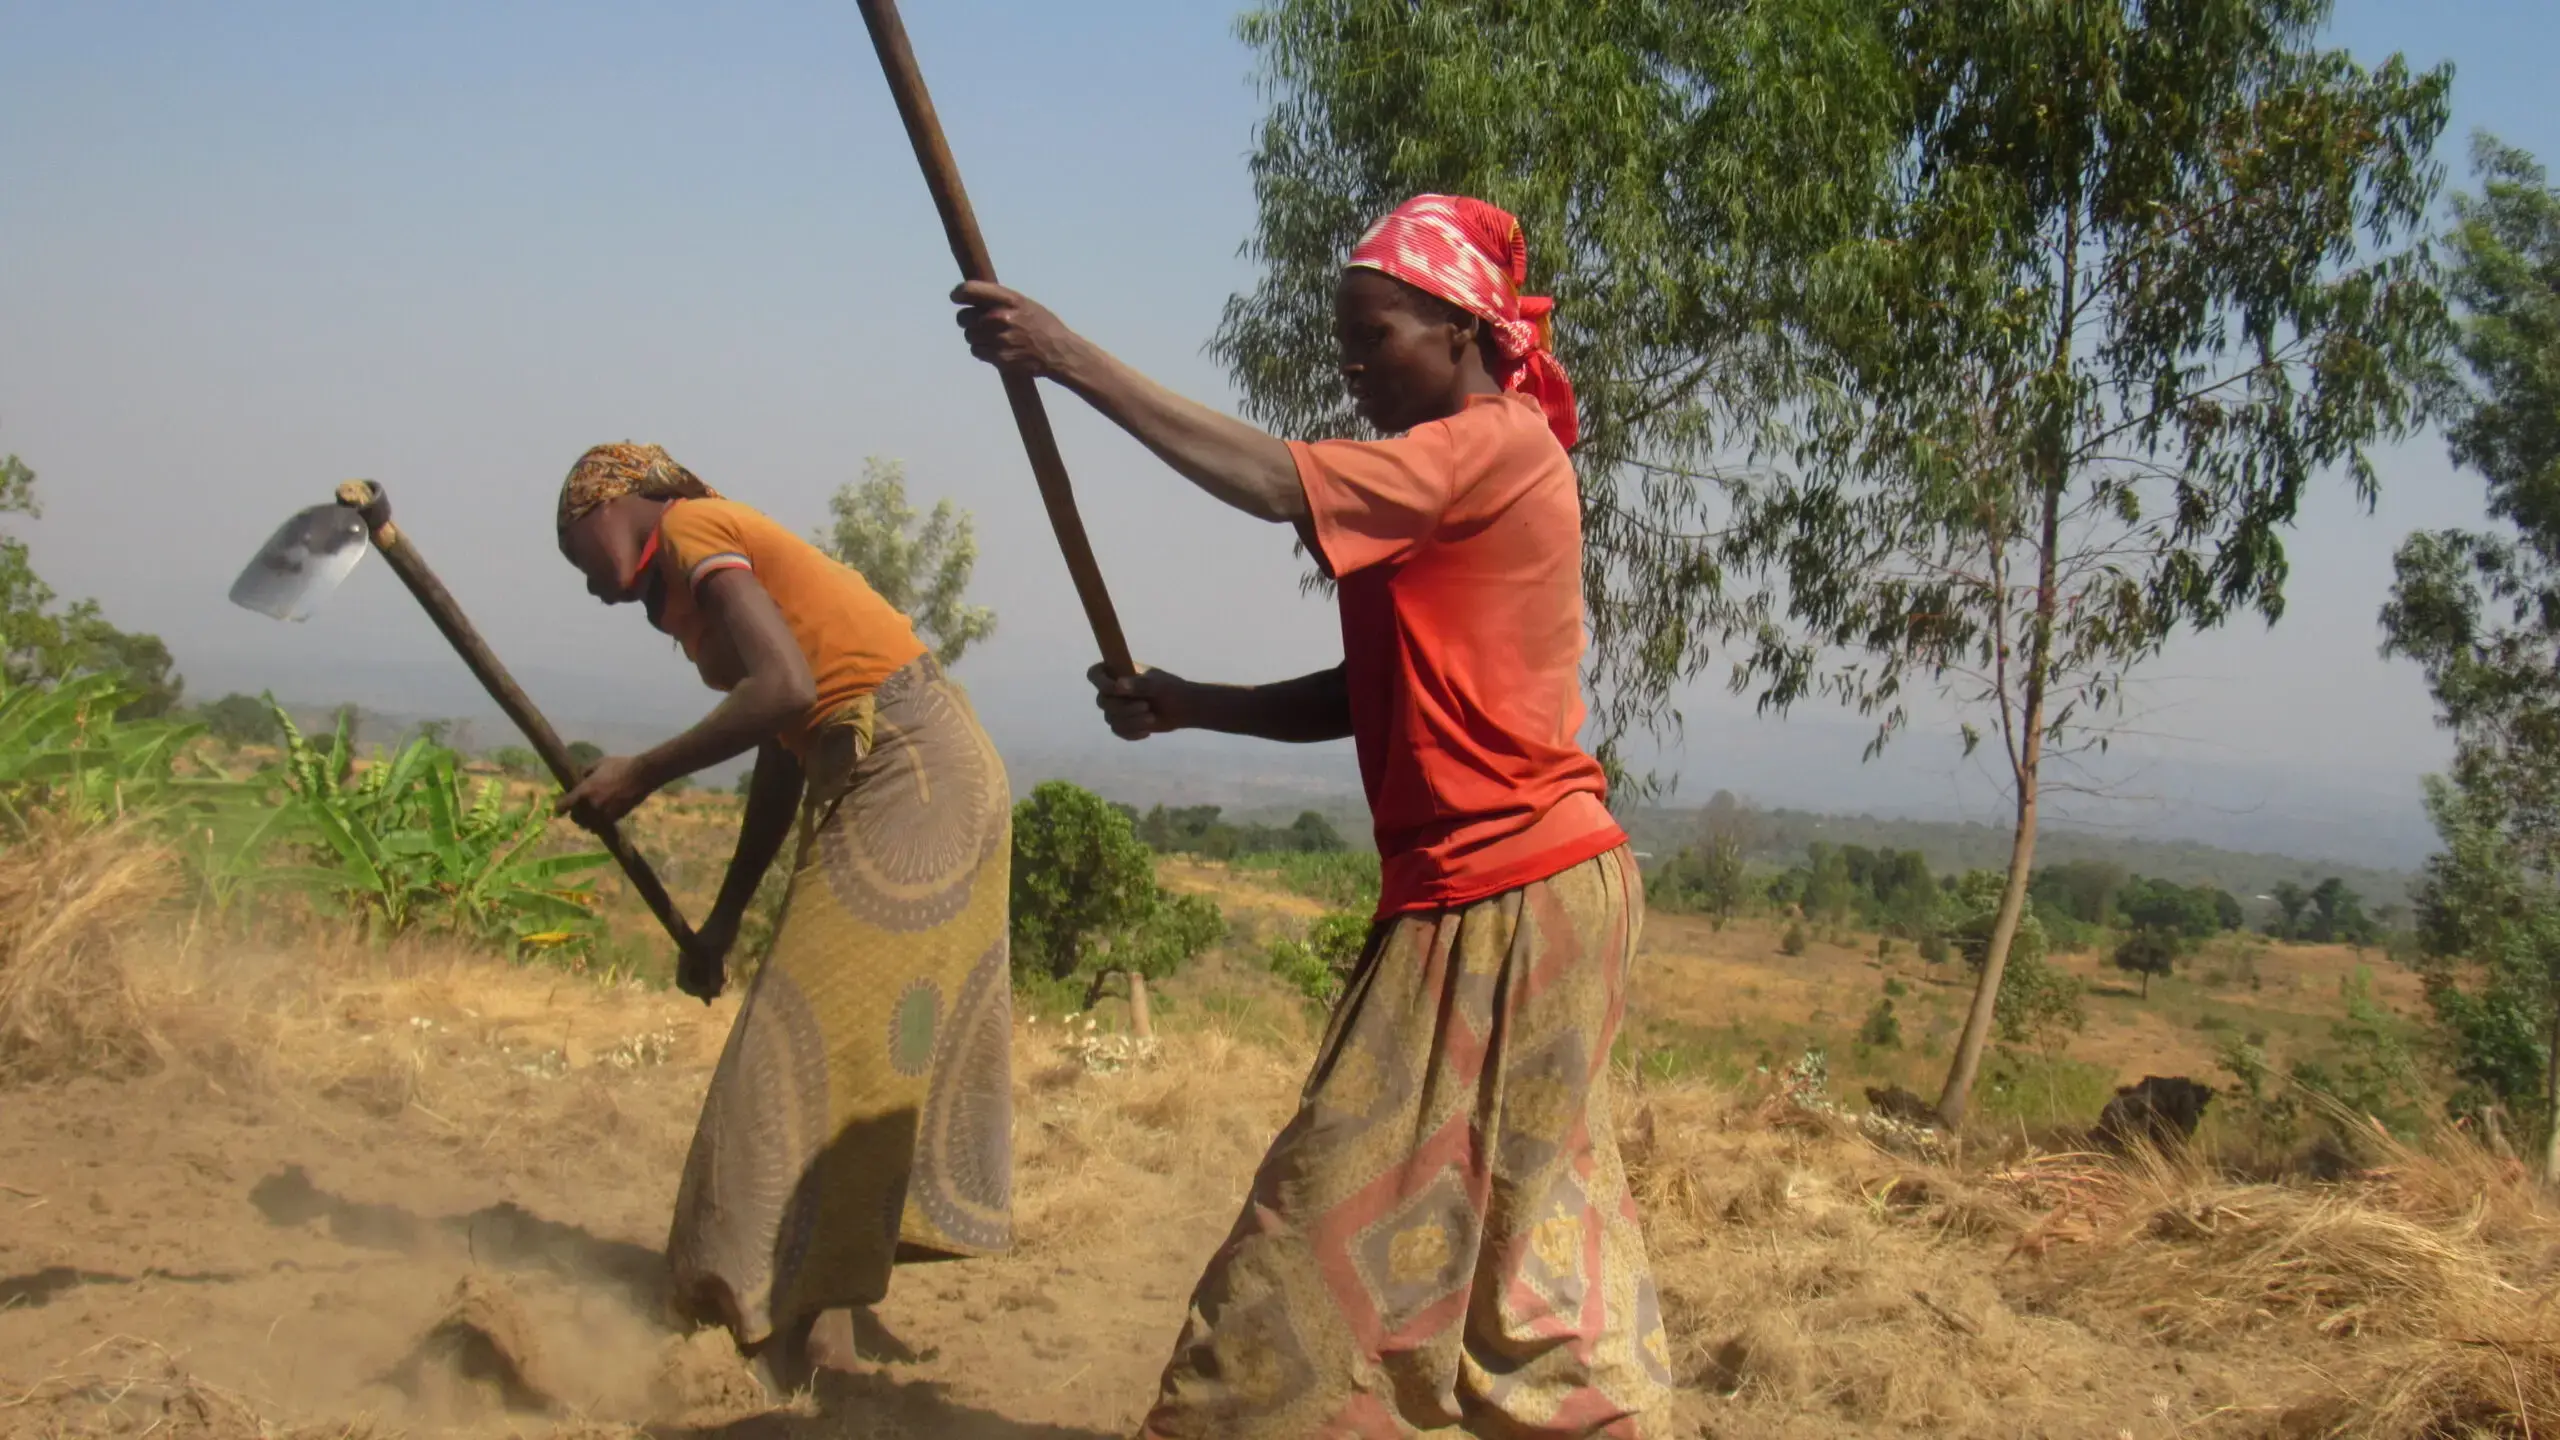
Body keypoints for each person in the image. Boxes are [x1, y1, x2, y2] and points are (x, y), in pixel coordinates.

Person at [954, 195, 1671, 1437]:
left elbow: (1273, 481)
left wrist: (1064, 358)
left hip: (1504, 896)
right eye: (1342, 342)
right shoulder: (1445, 484)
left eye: (1374, 336)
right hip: (1513, 891)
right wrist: (1195, 706)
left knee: (1323, 1216)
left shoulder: (1495, 445)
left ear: (1458, 332)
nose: (1350, 367)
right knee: (1514, 1245)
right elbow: (1370, 693)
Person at [551, 442, 1015, 1385]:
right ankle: (822, 1328)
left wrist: (641, 772)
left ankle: (785, 1333)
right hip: (886, 770)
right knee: (842, 1049)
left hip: (910, 771)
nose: (593, 591)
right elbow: (782, 737)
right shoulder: (698, 572)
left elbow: (788, 690)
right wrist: (723, 921)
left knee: (797, 1049)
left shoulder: (692, 530)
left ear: (619, 501)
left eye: (578, 551)